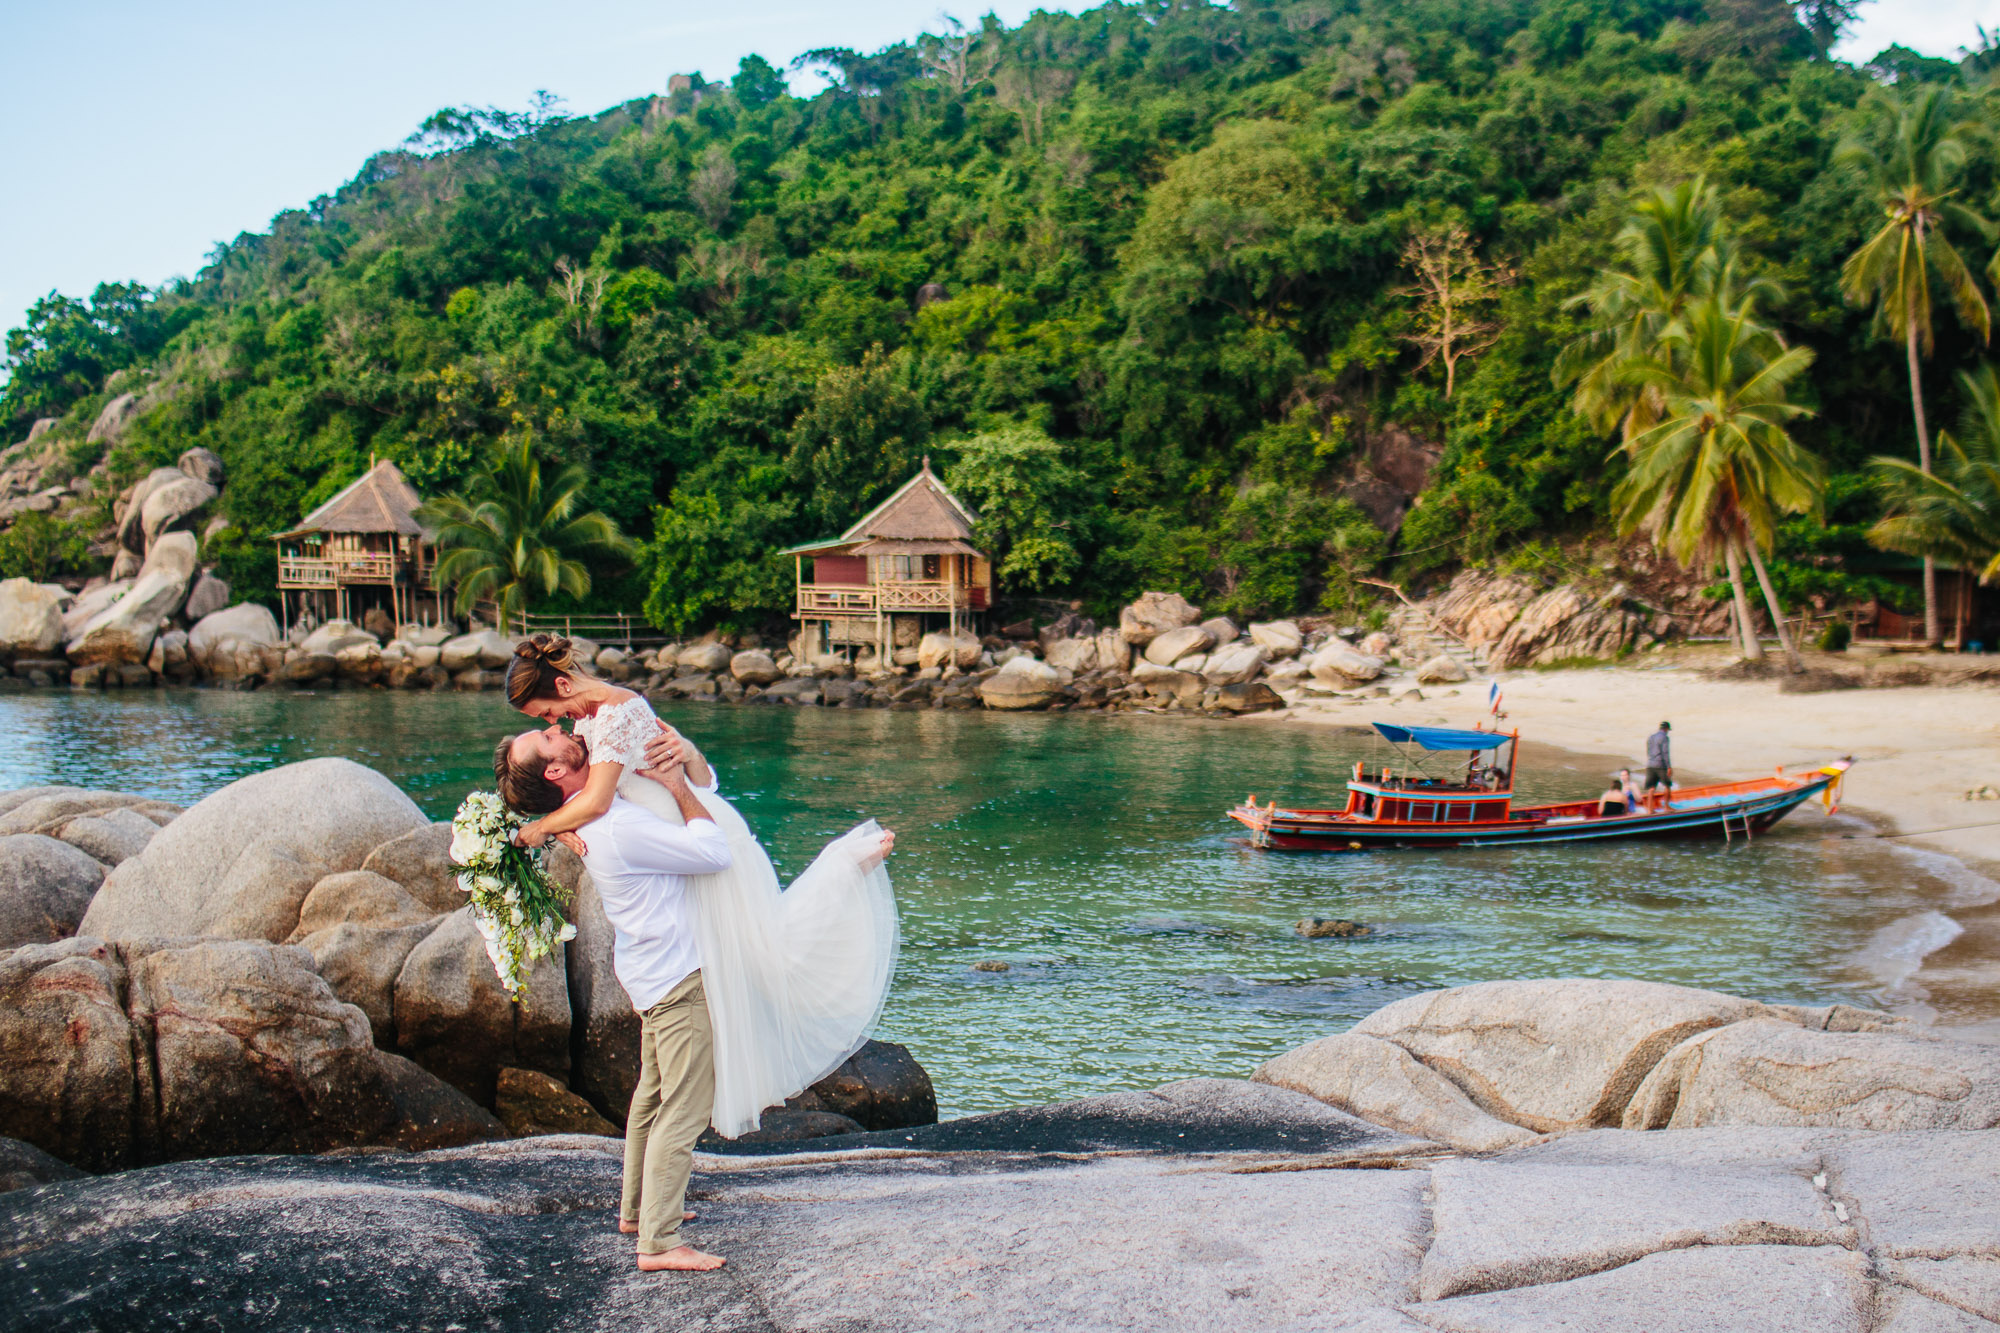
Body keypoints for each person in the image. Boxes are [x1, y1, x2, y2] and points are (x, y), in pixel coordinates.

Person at [493, 636, 899, 1228]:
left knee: (764, 949)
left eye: (546, 717)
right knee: (761, 952)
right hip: (684, 843)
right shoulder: (600, 736)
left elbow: (677, 783)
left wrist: (541, 830)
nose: (557, 723)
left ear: (558, 688)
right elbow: (611, 796)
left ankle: (840, 871)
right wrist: (557, 826)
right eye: (546, 727)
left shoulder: (615, 715)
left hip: (696, 835)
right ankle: (652, 1229)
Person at [498, 728, 733, 1272]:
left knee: (652, 1094)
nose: (562, 728)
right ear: (555, 773)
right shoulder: (615, 824)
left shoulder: (586, 817)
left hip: (647, 970)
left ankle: (635, 1210)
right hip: (676, 975)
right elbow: (714, 851)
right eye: (548, 735)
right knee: (685, 1104)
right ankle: (658, 1240)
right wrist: (678, 788)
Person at [1644, 722, 1673, 810]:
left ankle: (1650, 809)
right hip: (1660, 765)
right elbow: (1665, 753)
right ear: (1666, 729)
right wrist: (1668, 767)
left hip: (1650, 764)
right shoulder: (1664, 737)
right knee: (1667, 785)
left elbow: (1648, 751)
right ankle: (1667, 807)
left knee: (1651, 788)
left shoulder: (1651, 737)